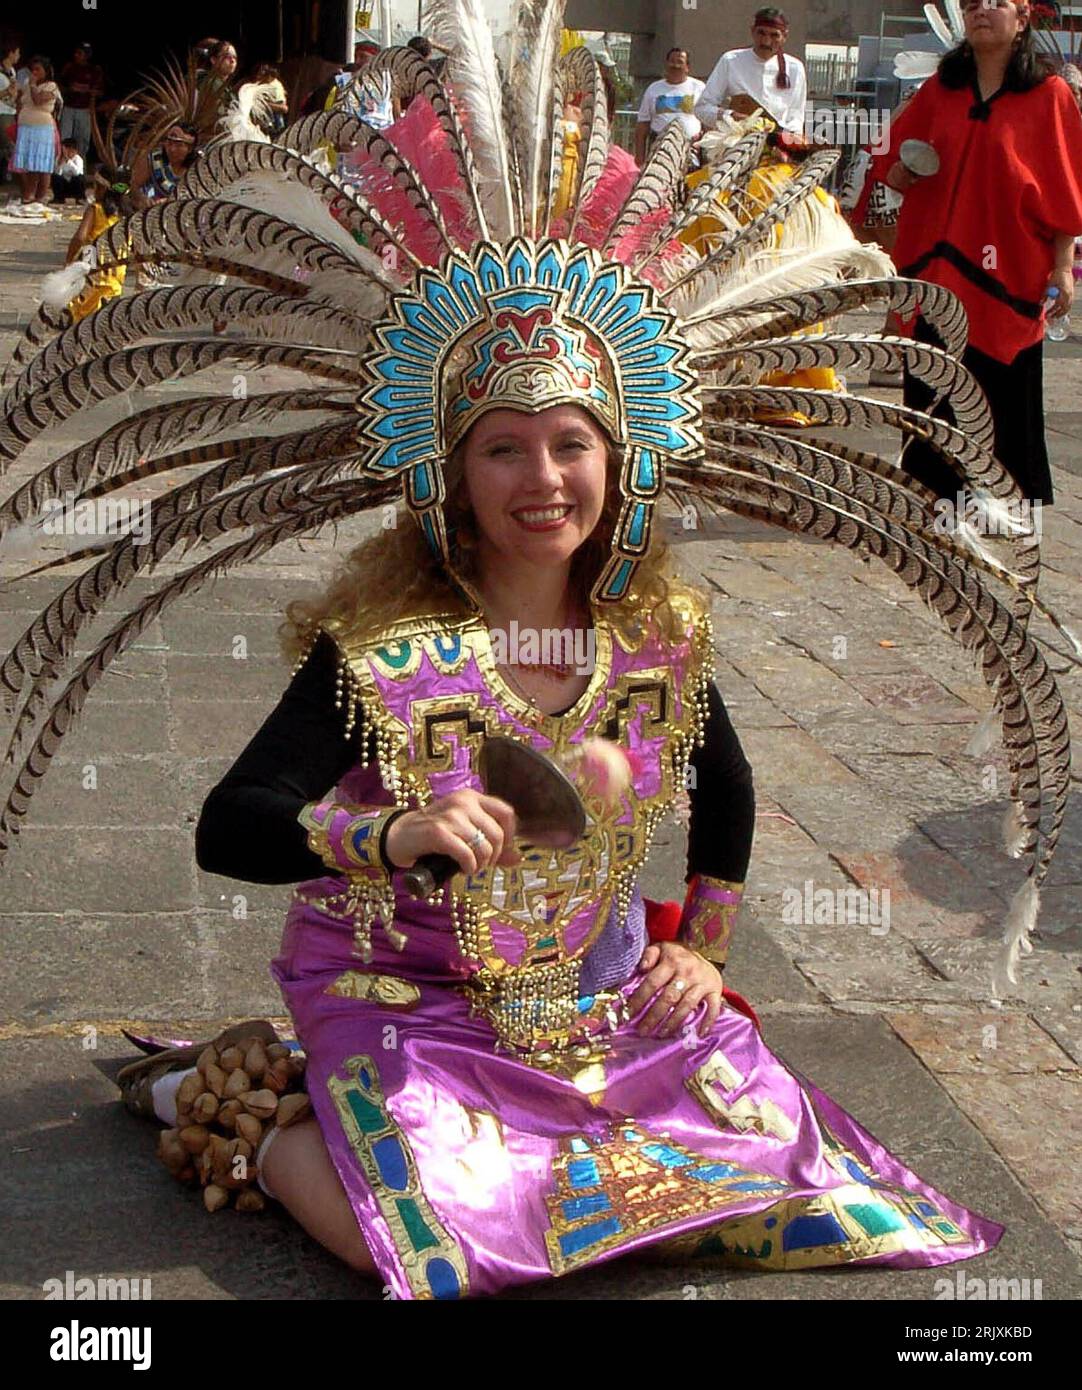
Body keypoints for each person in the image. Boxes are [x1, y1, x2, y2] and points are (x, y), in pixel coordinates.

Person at [1, 20, 1067, 1300]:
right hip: (405, 997)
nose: (540, 479)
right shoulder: (384, 655)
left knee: (765, 1173)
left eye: (569, 443)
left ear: (620, 462)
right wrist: (392, 836)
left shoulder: (657, 638)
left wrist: (706, 950)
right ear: (449, 471)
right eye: (501, 447)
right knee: (429, 1241)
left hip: (597, 997)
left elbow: (720, 791)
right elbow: (231, 825)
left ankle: (384, 1106)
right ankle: (241, 1110)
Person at [869, 0, 1082, 505]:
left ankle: (1002, 501)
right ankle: (934, 497)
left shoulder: (1049, 96)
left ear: (1022, 18)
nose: (982, 10)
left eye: (997, 2)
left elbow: (1065, 187)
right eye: (972, 4)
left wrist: (1063, 267)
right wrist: (901, 172)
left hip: (1009, 271)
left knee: (1002, 390)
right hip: (939, 269)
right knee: (933, 383)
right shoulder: (940, 92)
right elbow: (893, 160)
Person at [696, 7, 807, 135]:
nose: (766, 41)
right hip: (736, 140)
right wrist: (731, 116)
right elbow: (702, 108)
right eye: (761, 33)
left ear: (784, 36)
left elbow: (796, 117)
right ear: (752, 31)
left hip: (778, 142)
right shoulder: (731, 60)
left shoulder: (795, 68)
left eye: (774, 35)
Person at [634, 47, 704, 165]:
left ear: (687, 67)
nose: (675, 65)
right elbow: (642, 125)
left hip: (691, 149)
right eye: (672, 61)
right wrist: (639, 157)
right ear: (666, 64)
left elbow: (708, 120)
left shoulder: (698, 87)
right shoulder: (653, 89)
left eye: (680, 62)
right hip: (660, 149)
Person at [10, 55, 59, 214]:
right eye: (33, 70)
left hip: (42, 128)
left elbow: (38, 100)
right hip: (26, 127)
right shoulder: (26, 84)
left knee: (42, 165)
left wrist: (32, 85)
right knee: (29, 164)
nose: (34, 72)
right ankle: (29, 194)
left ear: (46, 71)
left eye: (38, 69)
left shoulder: (51, 86)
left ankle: (40, 196)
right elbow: (20, 101)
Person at [58, 41, 103, 158]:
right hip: (68, 107)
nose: (76, 55)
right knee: (64, 136)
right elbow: (58, 85)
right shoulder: (69, 68)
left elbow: (100, 92)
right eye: (76, 52)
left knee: (82, 139)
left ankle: (79, 163)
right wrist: (70, 89)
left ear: (87, 55)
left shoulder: (94, 70)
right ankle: (62, 163)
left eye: (80, 53)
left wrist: (85, 91)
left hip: (84, 109)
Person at [50, 136, 84, 203]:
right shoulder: (59, 158)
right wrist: (61, 163)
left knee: (79, 178)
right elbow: (57, 174)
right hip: (64, 186)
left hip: (74, 186)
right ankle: (59, 198)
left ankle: (79, 198)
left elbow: (77, 173)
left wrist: (68, 161)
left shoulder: (78, 159)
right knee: (55, 177)